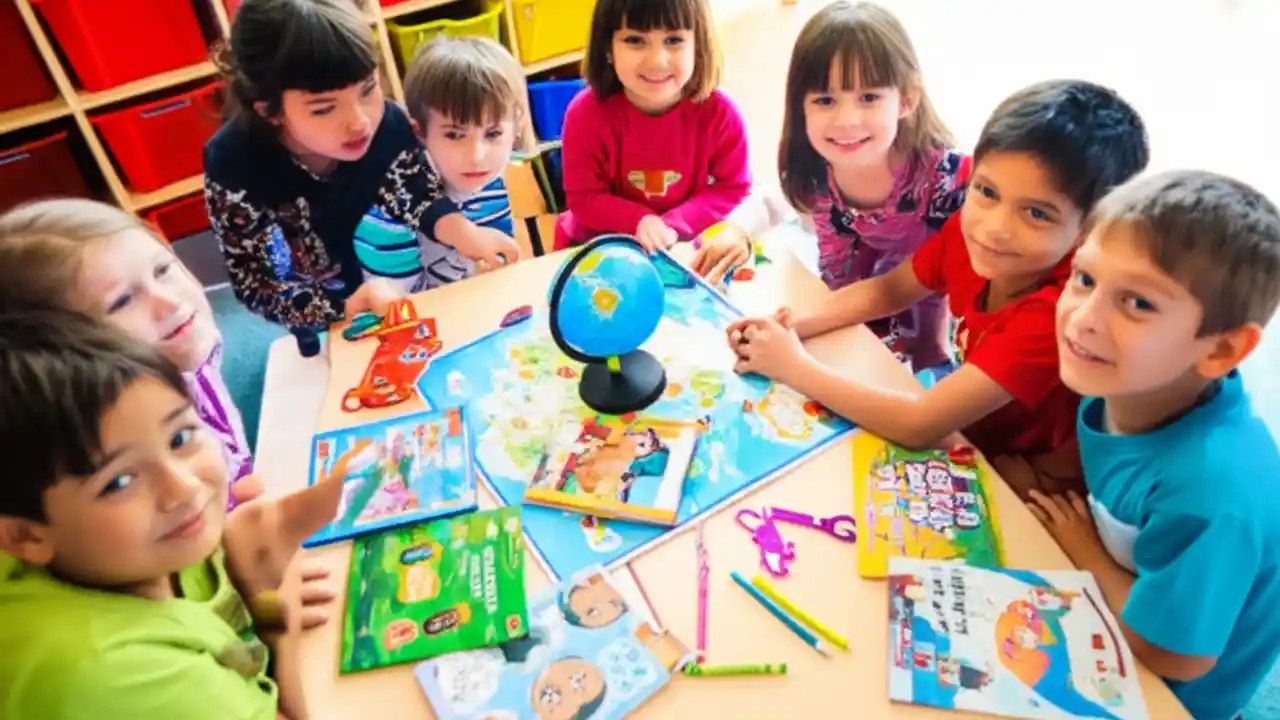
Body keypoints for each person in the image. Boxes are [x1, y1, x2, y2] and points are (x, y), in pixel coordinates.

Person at [728, 80, 1149, 472]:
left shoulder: (1059, 313)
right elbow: (893, 288)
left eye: (1037, 213)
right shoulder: (973, 240)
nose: (994, 227)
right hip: (969, 426)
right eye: (987, 192)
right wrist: (800, 322)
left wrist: (793, 366)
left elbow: (919, 424)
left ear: (1091, 229)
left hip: (1034, 466)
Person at [0, 309, 364, 719]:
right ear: (26, 537)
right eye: (119, 482)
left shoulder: (116, 550)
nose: (185, 488)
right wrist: (273, 609)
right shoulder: (115, 671)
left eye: (180, 436)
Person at [1029, 170, 1280, 720]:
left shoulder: (1213, 494)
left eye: (1137, 303)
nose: (1083, 319)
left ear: (1221, 351)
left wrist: (1088, 557)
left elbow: (1176, 658)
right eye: (1085, 278)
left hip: (1172, 695)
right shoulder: (1127, 383)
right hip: (1128, 604)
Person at [203, 0, 518, 354]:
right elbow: (256, 283)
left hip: (399, 285)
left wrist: (464, 233)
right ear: (269, 110)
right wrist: (344, 308)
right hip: (322, 316)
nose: (360, 121)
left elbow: (416, 194)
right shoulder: (233, 161)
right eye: (324, 108)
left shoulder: (390, 125)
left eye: (368, 89)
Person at [0, 199, 252, 504]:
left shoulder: (188, 359)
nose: (168, 302)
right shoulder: (123, 440)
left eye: (162, 270)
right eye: (121, 301)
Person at [777, 1, 967, 371]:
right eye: (825, 100)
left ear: (906, 99)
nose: (847, 120)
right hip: (841, 336)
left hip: (929, 362)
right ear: (801, 107)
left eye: (869, 98)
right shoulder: (814, 175)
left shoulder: (950, 183)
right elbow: (836, 282)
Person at [556, 0, 753, 277]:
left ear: (699, 46)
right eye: (635, 40)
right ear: (607, 49)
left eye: (674, 40)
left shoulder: (720, 113)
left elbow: (733, 186)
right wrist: (639, 220)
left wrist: (674, 223)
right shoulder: (584, 114)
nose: (657, 60)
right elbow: (584, 197)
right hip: (597, 250)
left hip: (679, 251)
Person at [402, 36, 530, 288]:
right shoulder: (396, 204)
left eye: (493, 134)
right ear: (419, 132)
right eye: (454, 135)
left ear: (516, 128)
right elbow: (394, 306)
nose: (476, 157)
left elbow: (499, 273)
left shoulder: (493, 183)